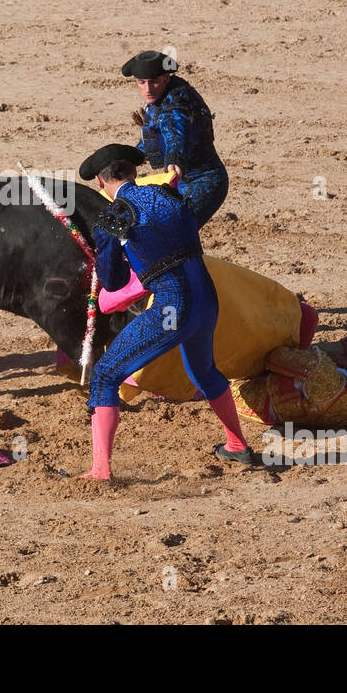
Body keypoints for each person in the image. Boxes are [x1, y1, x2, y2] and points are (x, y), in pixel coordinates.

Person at [79, 144, 254, 479]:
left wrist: (111, 255)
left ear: (101, 182)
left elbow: (114, 282)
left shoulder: (114, 218)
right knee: (204, 372)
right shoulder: (170, 196)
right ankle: (236, 444)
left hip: (173, 309)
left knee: (105, 375)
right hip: (207, 299)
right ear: (134, 172)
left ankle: (101, 469)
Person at [123, 50, 228, 229]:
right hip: (184, 182)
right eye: (142, 83)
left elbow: (176, 132)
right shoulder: (163, 97)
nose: (148, 89)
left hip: (204, 182)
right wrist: (128, 158)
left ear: (166, 77)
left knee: (174, 232)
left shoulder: (176, 104)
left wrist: (174, 158)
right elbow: (158, 137)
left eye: (154, 82)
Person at [236, 338, 347, 430]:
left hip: (249, 397)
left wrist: (334, 360)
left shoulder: (321, 369)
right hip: (276, 416)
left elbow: (274, 357)